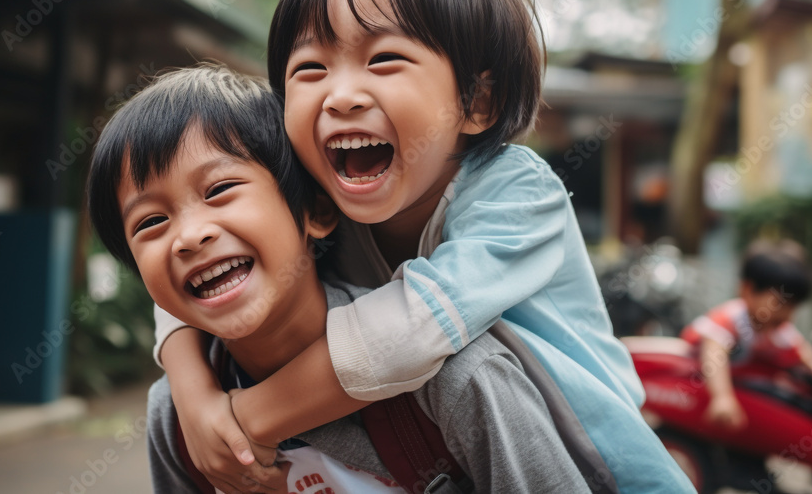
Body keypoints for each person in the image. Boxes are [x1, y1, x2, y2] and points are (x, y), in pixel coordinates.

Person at [157, 0, 695, 493]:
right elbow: (200, 247)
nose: (340, 95)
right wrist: (192, 395)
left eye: (384, 59)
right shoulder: (312, 187)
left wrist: (244, 422)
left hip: (592, 464)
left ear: (476, 102)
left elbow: (410, 333)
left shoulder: (515, 193)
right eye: (309, 70)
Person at [86, 64, 605, 493]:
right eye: (151, 222)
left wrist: (247, 421)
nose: (189, 237)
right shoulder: (176, 420)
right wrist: (191, 390)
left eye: (220, 189)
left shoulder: (458, 383)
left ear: (315, 210)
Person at [681, 238, 812, 429]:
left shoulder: (779, 331)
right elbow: (714, 354)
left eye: (794, 305)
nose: (787, 313)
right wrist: (722, 397)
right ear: (747, 290)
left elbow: (808, 358)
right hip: (693, 386)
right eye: (781, 302)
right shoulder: (730, 319)